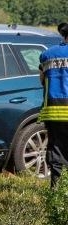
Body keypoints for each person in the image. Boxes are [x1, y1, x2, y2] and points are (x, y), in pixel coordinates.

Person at [39, 21, 68, 188]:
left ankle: (55, 187)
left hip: (53, 111)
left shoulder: (47, 55)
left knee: (56, 148)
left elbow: (42, 80)